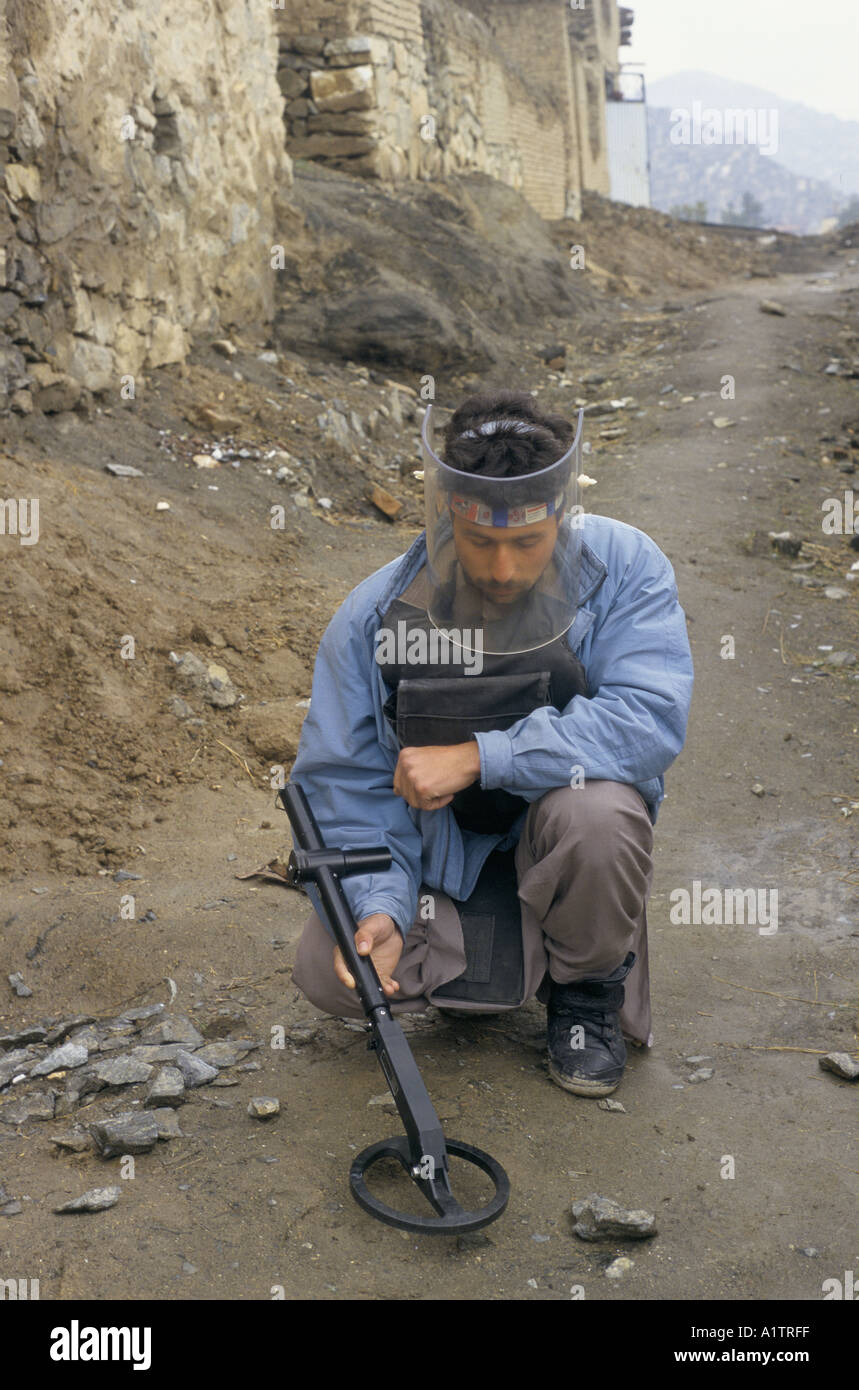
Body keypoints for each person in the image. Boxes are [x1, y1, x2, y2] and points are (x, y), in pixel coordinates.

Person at [289, 389, 694, 1096]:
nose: (502, 570)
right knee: (327, 972)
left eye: (526, 543)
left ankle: (585, 990)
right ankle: (492, 960)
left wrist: (482, 757)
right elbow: (346, 785)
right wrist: (377, 908)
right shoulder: (373, 616)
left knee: (597, 813)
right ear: (448, 512)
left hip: (566, 840)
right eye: (480, 542)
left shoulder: (624, 567)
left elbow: (647, 721)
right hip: (442, 860)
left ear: (559, 517)